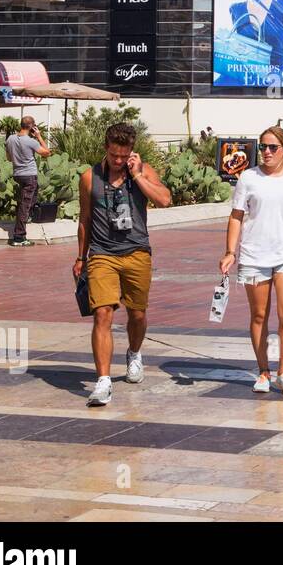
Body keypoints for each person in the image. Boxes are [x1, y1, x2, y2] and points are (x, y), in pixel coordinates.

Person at [218, 126, 283, 396]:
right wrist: (230, 251)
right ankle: (263, 370)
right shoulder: (248, 178)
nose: (266, 152)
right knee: (259, 315)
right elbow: (236, 216)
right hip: (255, 255)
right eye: (263, 147)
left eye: (272, 147)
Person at [74, 123, 172, 407]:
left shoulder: (141, 171)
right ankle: (103, 381)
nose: (118, 161)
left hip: (137, 252)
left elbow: (164, 200)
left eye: (123, 155)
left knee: (137, 314)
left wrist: (138, 175)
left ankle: (134, 352)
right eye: (114, 155)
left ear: (131, 151)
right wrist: (81, 257)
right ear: (106, 148)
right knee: (102, 313)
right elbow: (84, 220)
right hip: (102, 253)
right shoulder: (89, 178)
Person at [5, 116, 52, 247]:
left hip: (18, 174)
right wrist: (39, 136)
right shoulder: (31, 141)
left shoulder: (10, 139)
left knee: (29, 200)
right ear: (32, 126)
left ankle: (27, 217)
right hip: (29, 175)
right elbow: (47, 152)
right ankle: (19, 237)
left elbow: (8, 158)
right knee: (25, 206)